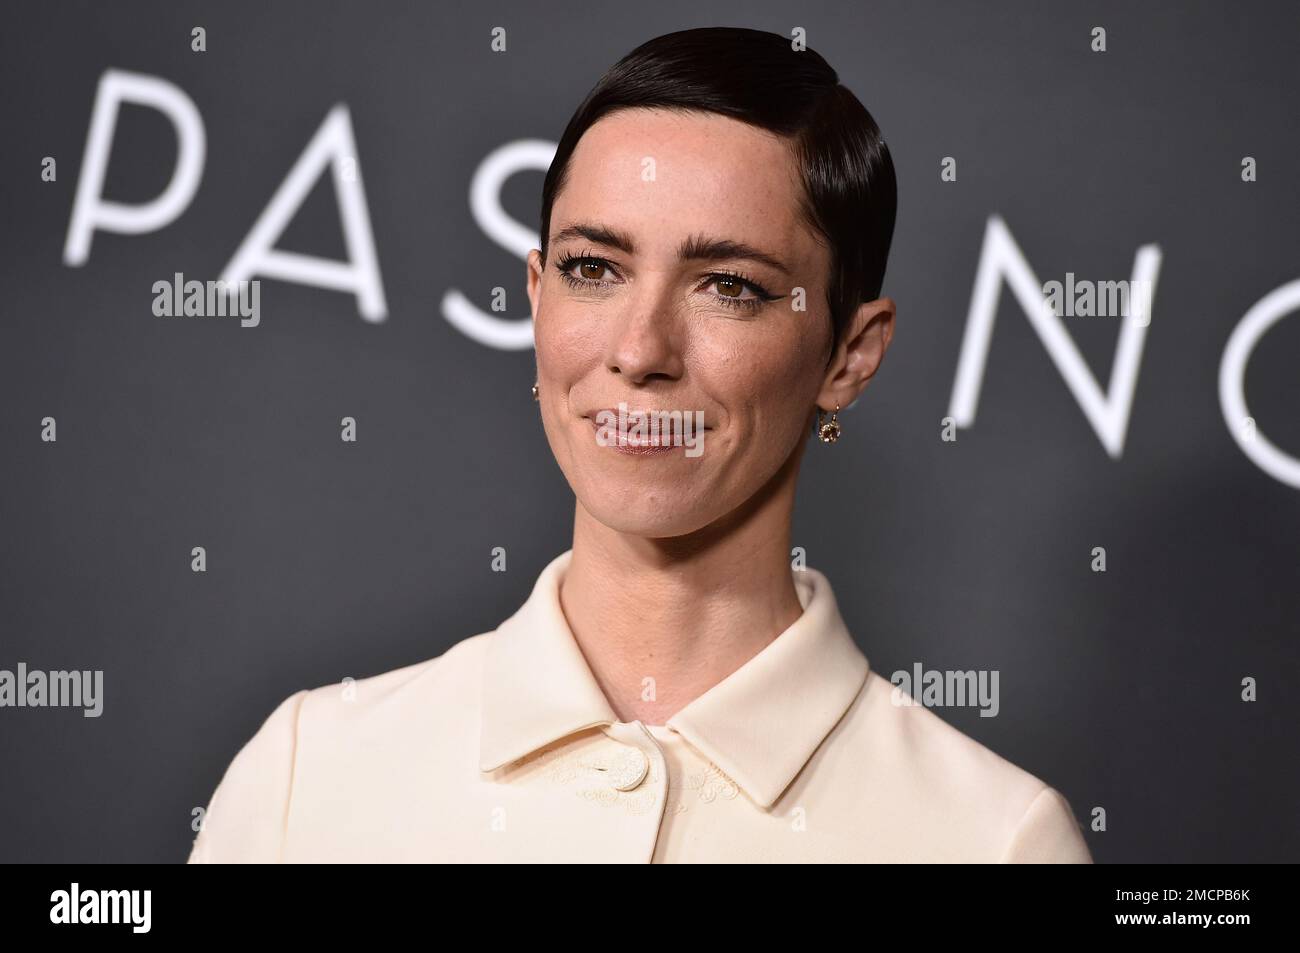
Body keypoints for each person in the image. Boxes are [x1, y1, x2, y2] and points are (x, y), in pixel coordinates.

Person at [188, 26, 1092, 863]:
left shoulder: (994, 840)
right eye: (594, 269)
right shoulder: (309, 778)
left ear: (851, 354)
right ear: (537, 296)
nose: (640, 350)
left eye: (729, 286)